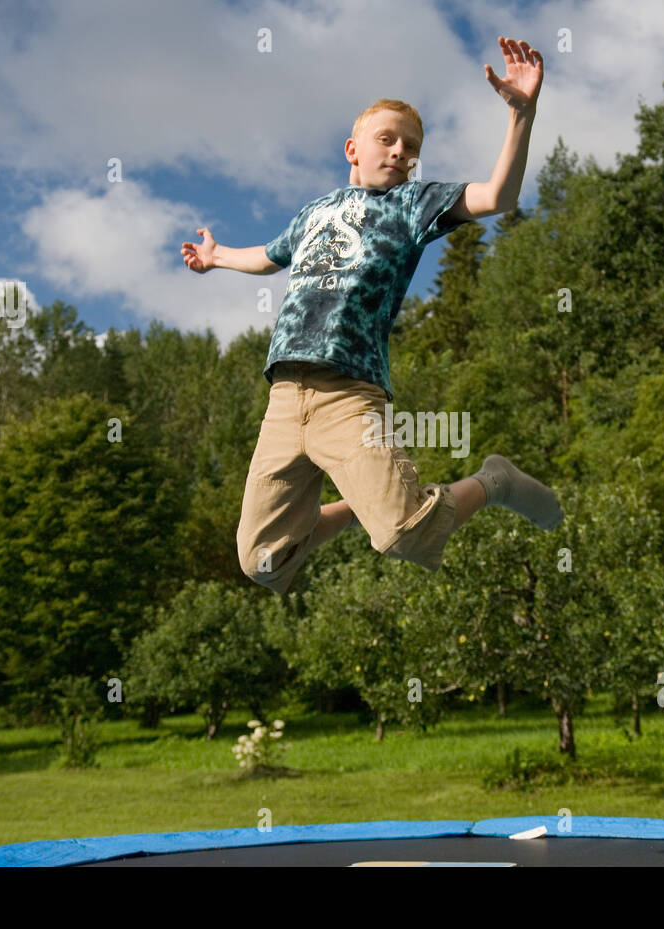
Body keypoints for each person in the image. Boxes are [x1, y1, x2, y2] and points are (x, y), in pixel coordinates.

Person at [182, 37, 561, 594]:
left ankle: (495, 482)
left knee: (406, 534)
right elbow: (267, 257)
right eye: (387, 139)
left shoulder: (413, 205)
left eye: (410, 147)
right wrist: (217, 258)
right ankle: (365, 501)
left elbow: (497, 196)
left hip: (350, 395)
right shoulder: (315, 212)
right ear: (352, 148)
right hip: (285, 400)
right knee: (262, 561)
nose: (399, 152)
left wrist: (520, 116)